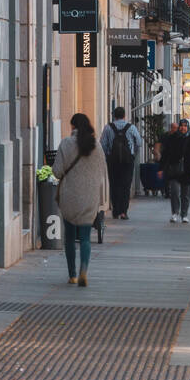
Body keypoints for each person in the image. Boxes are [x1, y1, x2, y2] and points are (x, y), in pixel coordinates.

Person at [53, 113, 109, 286]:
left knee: (69, 236)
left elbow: (57, 171)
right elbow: (103, 172)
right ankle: (84, 269)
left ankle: (72, 275)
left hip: (70, 196)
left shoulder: (66, 143)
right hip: (89, 197)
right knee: (85, 237)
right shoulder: (97, 146)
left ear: (73, 127)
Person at [100, 106, 142, 219]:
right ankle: (124, 212)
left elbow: (102, 145)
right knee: (126, 186)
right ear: (124, 116)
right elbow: (139, 142)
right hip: (128, 161)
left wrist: (108, 155)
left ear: (114, 115)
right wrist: (133, 154)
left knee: (114, 185)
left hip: (112, 161)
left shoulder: (108, 128)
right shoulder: (131, 127)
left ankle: (115, 210)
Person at [160, 119, 190, 223]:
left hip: (188, 170)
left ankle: (184, 214)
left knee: (186, 194)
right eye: (181, 126)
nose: (183, 128)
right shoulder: (172, 138)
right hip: (174, 170)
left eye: (185, 126)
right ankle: (174, 213)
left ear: (188, 127)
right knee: (174, 192)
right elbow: (165, 154)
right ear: (178, 127)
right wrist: (161, 168)